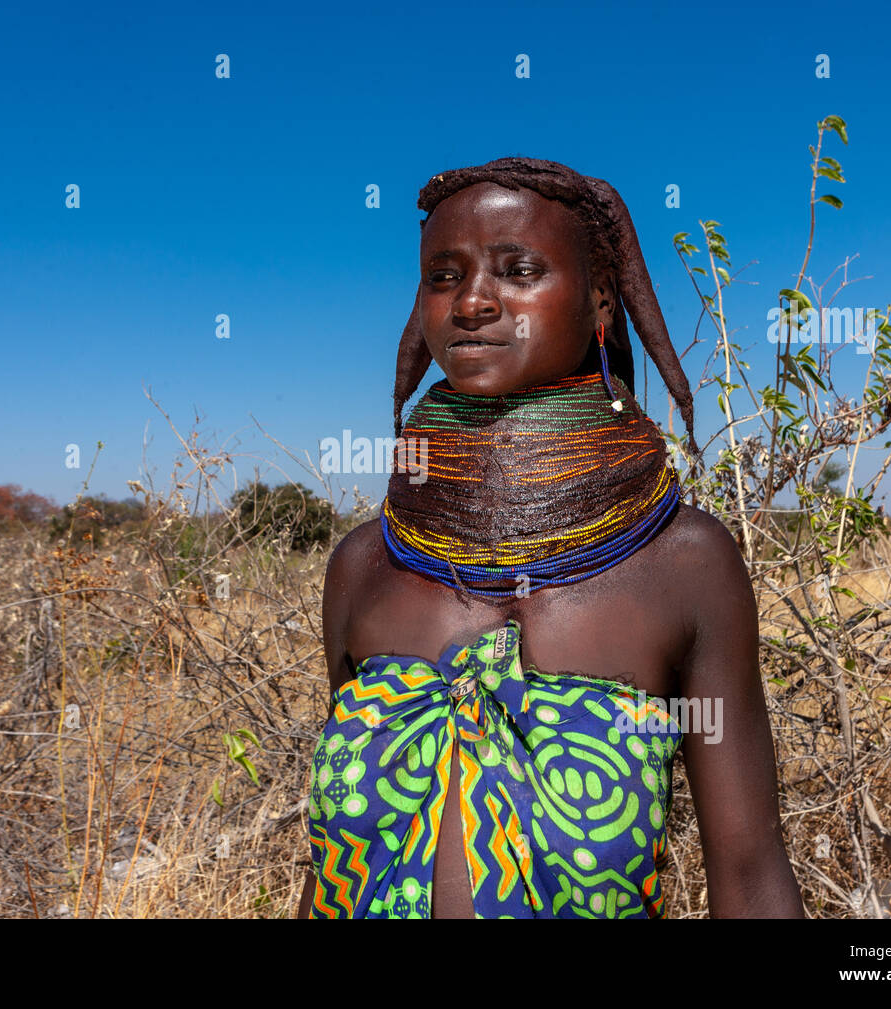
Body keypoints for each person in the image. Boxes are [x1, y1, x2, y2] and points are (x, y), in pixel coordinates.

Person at [296, 157, 804, 918]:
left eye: (518, 268)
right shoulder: (365, 566)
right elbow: (334, 867)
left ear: (601, 300)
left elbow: (751, 876)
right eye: (444, 275)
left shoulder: (681, 563)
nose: (471, 301)